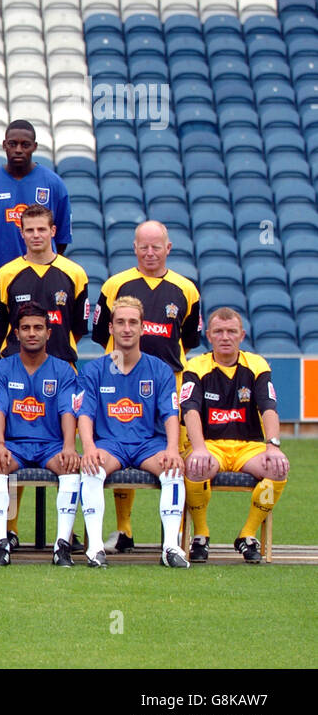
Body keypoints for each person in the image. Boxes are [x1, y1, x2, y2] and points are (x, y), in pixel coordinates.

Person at [92, 219, 200, 552]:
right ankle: (124, 530)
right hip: (122, 387)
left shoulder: (187, 290)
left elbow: (189, 340)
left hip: (169, 388)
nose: (150, 252)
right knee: (121, 448)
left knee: (175, 459)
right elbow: (100, 336)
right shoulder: (115, 285)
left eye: (157, 246)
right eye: (144, 246)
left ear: (168, 248)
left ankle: (180, 540)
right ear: (134, 248)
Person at [75, 296, 189, 568]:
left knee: (173, 469)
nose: (127, 328)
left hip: (148, 444)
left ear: (142, 328)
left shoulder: (160, 369)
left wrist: (173, 449)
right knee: (91, 468)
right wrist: (89, 448)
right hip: (110, 444)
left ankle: (171, 547)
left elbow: (171, 414)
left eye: (133, 322)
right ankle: (94, 548)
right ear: (111, 328)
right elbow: (85, 414)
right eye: (120, 322)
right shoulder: (94, 370)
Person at [181, 307, 290, 563]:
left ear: (242, 335)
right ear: (209, 335)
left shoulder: (257, 364)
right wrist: (198, 448)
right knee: (196, 467)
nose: (225, 337)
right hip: (210, 445)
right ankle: (200, 534)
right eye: (218, 331)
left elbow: (269, 407)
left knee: (278, 469)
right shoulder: (196, 365)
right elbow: (190, 410)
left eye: (231, 332)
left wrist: (272, 445)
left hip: (248, 447)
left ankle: (247, 534)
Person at [0, 303, 82, 567]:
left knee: (70, 467)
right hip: (15, 445)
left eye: (38, 328)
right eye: (26, 328)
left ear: (49, 333)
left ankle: (62, 546)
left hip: (50, 445)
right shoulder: (2, 369)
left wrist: (68, 446)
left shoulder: (63, 370)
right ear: (16, 333)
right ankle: (0, 544)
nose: (32, 333)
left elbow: (67, 410)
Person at [0, 204, 89, 363]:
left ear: (53, 231)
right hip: (16, 367)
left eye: (42, 229)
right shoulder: (5, 275)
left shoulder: (75, 273)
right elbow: (0, 328)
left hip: (62, 366)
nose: (36, 235)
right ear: (22, 233)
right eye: (29, 230)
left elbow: (78, 329)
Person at [0, 119, 72, 272]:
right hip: (0, 275)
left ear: (34, 147)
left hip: (44, 275)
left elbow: (61, 238)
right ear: (4, 145)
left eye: (25, 145)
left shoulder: (53, 184)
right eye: (13, 144)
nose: (18, 150)